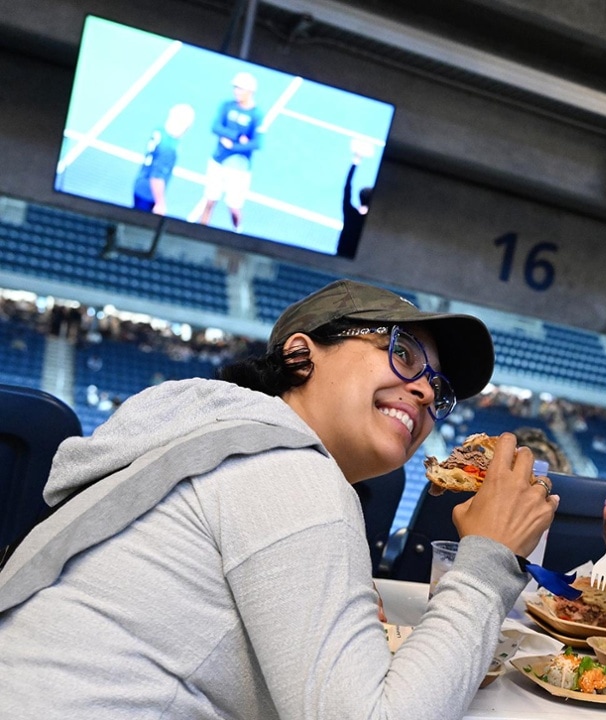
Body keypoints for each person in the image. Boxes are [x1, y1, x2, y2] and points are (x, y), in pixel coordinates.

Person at [0, 280, 558, 718]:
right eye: (404, 354)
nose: (423, 391)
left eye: (439, 390)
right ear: (300, 354)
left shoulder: (228, 439)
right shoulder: (286, 468)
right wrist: (487, 558)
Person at [195, 71, 263, 232]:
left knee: (234, 207)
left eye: (240, 89)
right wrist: (237, 136)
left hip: (239, 169)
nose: (236, 92)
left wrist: (233, 146)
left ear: (250, 91)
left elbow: (256, 143)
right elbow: (215, 127)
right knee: (210, 200)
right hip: (218, 161)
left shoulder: (256, 115)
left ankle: (238, 231)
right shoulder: (227, 106)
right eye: (235, 88)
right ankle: (200, 231)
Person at [132, 103, 196, 215]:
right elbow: (156, 178)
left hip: (140, 183)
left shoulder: (159, 131)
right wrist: (160, 203)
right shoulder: (169, 149)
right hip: (148, 194)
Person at [337, 152, 373, 257]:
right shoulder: (371, 219)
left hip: (341, 251)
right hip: (356, 255)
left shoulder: (349, 211)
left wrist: (355, 163)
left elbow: (347, 186)